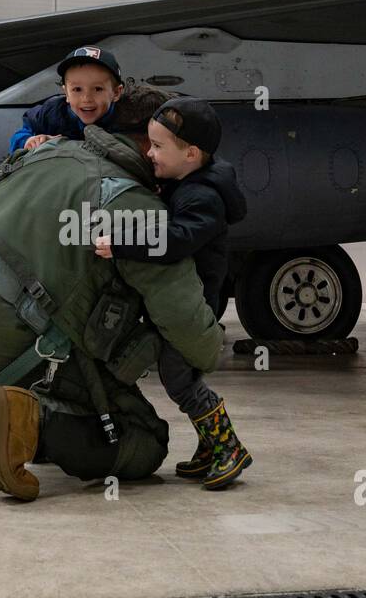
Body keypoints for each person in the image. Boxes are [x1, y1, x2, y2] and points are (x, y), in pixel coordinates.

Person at [0, 90, 223, 502]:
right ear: (145, 140)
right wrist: (211, 352)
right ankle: (30, 422)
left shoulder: (47, 154)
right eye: (157, 145)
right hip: (19, 341)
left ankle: (26, 406)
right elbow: (180, 314)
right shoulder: (133, 203)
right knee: (144, 442)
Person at [94, 97, 251, 489]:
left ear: (192, 154)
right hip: (186, 298)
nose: (150, 153)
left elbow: (177, 240)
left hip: (195, 304)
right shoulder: (188, 182)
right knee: (180, 373)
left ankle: (228, 446)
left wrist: (122, 243)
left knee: (179, 378)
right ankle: (208, 448)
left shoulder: (203, 197)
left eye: (159, 147)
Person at [8, 46, 124, 152]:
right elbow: (23, 132)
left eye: (98, 89)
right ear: (66, 94)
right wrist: (29, 141)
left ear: (116, 93)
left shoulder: (127, 120)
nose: (86, 99)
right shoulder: (52, 113)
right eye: (77, 89)